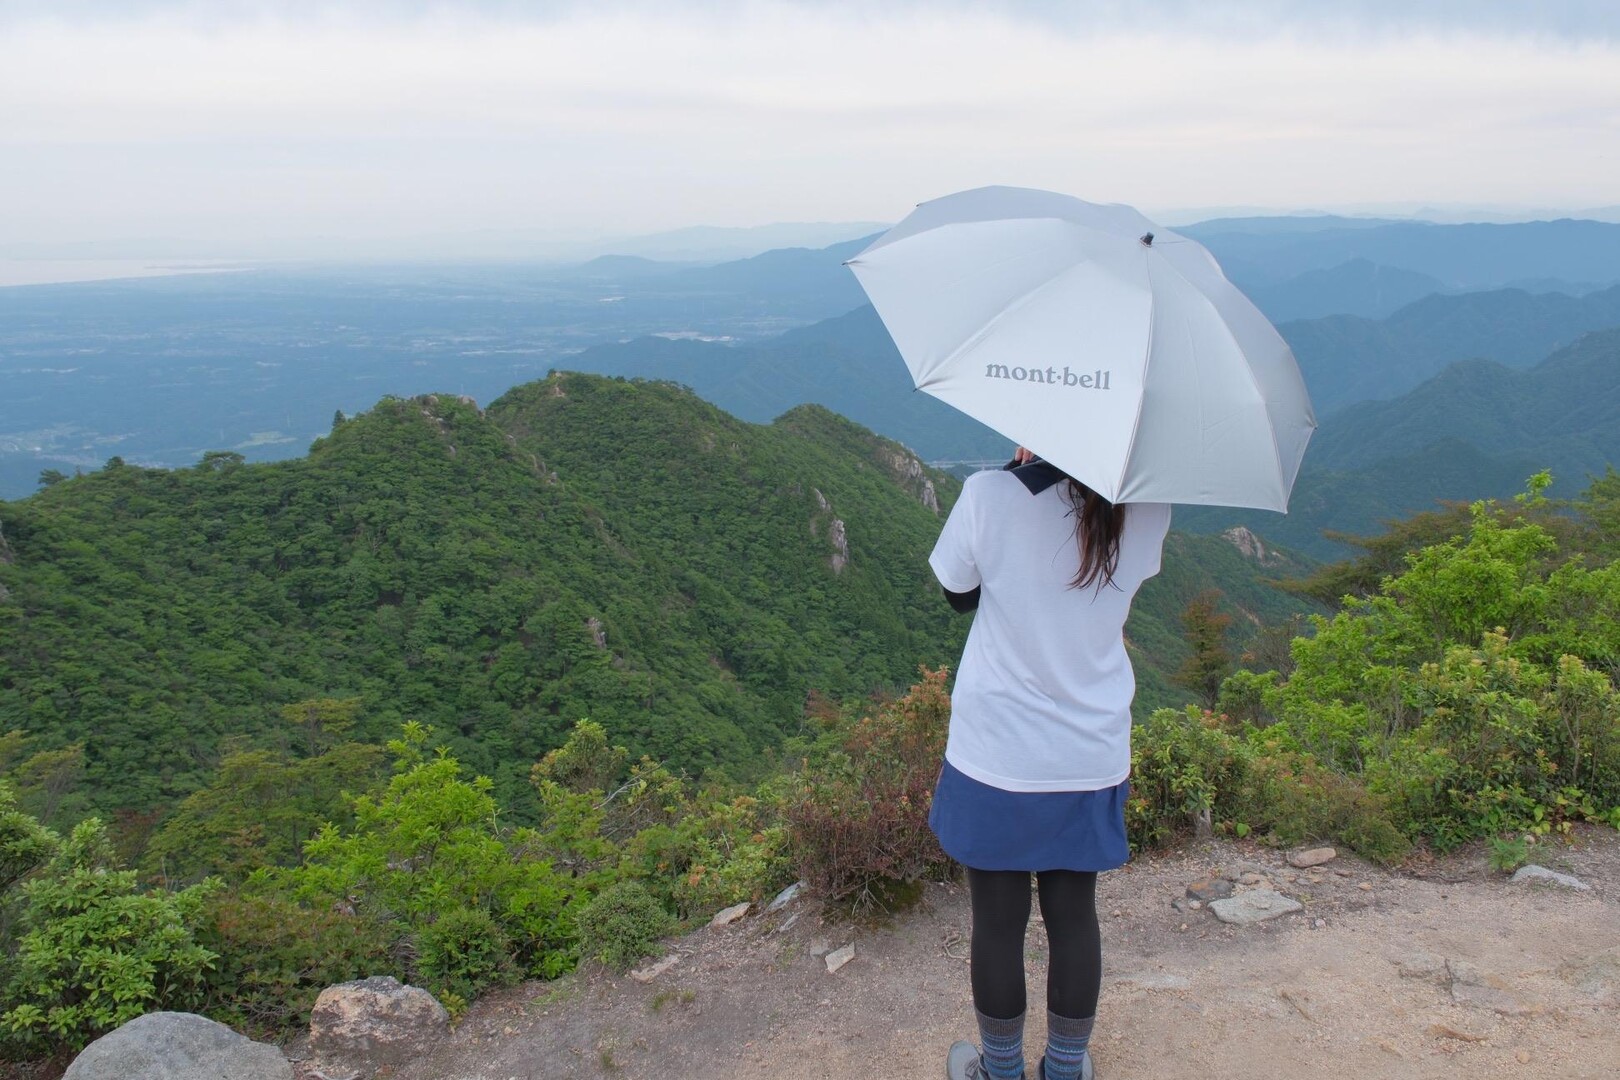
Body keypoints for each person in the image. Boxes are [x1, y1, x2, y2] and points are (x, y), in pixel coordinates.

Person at [928, 448, 1172, 1080]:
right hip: (1088, 749)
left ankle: (1000, 1070)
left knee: (998, 924)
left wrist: (1019, 474)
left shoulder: (990, 493)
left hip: (997, 751)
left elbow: (958, 593)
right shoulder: (1146, 505)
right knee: (1073, 918)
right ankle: (1065, 1069)